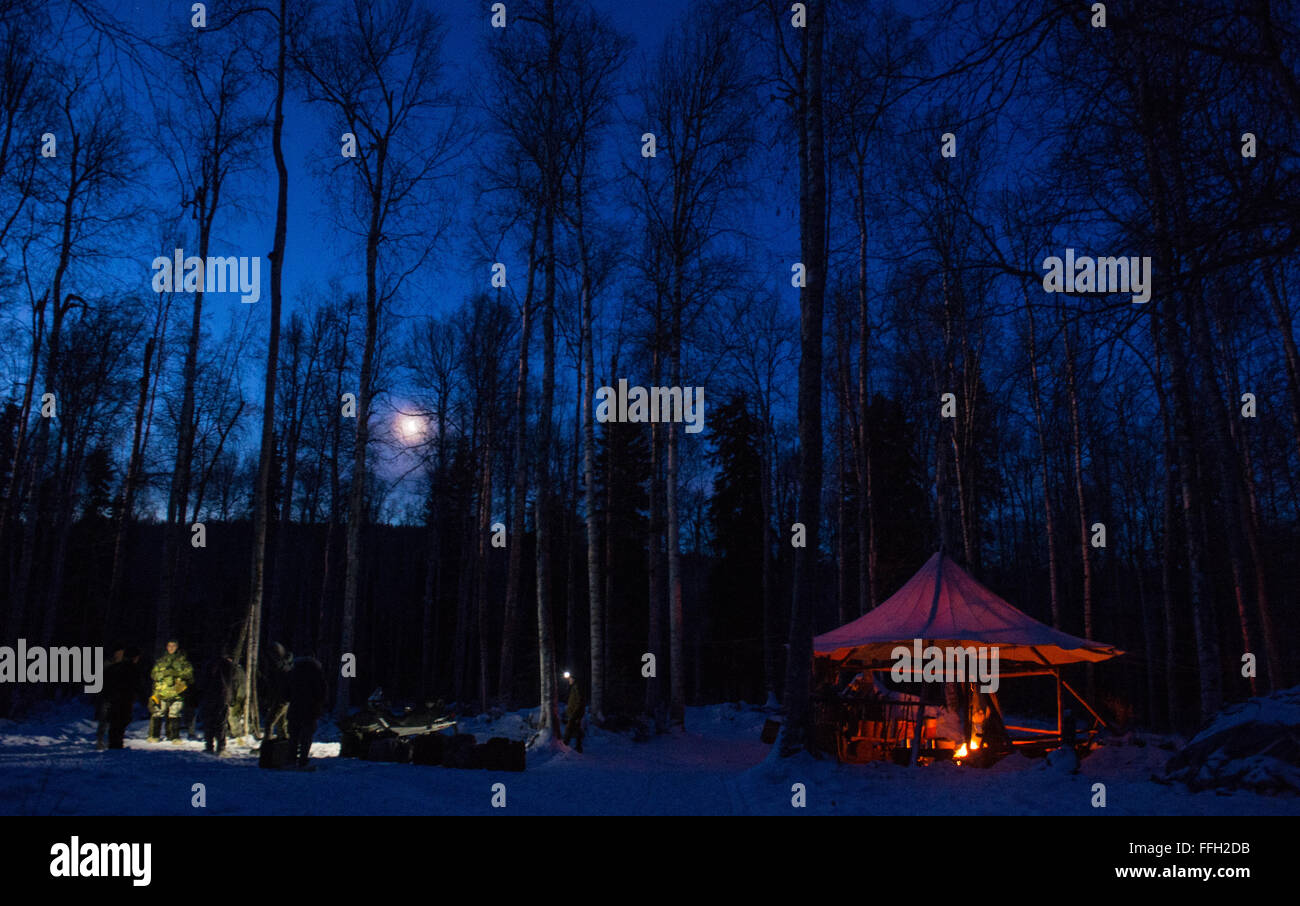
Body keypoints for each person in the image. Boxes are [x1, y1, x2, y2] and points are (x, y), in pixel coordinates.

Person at [149, 639, 194, 743]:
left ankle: (174, 737)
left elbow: (190, 676)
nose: (171, 648)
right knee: (158, 713)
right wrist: (162, 675)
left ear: (177, 647)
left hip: (177, 692)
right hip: (161, 692)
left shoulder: (183, 662)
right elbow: (153, 675)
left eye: (173, 646)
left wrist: (176, 674)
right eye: (169, 646)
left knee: (175, 714)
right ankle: (155, 736)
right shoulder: (160, 661)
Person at [287, 654, 326, 769]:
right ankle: (303, 759)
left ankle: (291, 758)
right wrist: (319, 705)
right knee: (306, 736)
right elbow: (322, 692)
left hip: (295, 708)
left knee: (294, 735)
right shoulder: (317, 675)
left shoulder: (293, 674)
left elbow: (286, 692)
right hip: (311, 710)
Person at [200, 655, 235, 755]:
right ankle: (220, 746)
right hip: (221, 697)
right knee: (219, 722)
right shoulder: (227, 666)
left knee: (210, 722)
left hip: (212, 696)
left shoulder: (209, 665)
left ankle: (210, 746)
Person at [96, 646, 126, 749]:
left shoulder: (124, 666)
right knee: (104, 720)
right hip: (107, 696)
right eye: (118, 653)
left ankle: (114, 741)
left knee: (116, 721)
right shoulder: (107, 665)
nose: (119, 655)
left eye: (121, 653)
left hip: (118, 697)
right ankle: (100, 740)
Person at [263, 642, 294, 739]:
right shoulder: (284, 665)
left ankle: (267, 746)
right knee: (281, 725)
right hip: (282, 699)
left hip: (281, 699)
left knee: (269, 723)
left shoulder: (280, 667)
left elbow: (279, 685)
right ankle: (283, 746)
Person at [563, 671, 585, 753]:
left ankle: (564, 745)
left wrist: (575, 713)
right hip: (576, 712)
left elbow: (579, 701)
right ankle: (579, 747)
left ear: (574, 679)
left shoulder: (577, 687)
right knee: (577, 728)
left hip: (576, 713)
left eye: (570, 679)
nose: (569, 680)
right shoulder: (574, 687)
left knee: (569, 728)